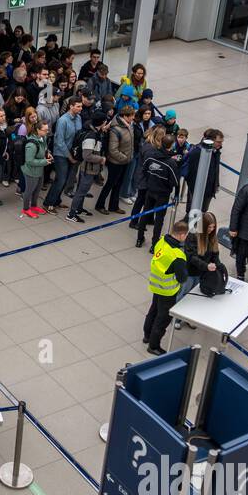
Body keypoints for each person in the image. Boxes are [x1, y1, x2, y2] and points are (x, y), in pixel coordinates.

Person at [143, 220, 190, 356]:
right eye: (185, 235)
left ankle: (147, 335)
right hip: (168, 290)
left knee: (153, 310)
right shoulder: (177, 255)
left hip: (155, 284)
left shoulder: (162, 241)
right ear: (181, 235)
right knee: (162, 318)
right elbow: (182, 278)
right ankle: (154, 345)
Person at [94, 103, 135, 215]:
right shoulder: (116, 129)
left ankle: (113, 206)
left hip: (125, 161)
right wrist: (125, 158)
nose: (133, 118)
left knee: (118, 184)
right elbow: (113, 150)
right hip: (116, 162)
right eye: (131, 116)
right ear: (125, 116)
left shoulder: (129, 125)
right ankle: (100, 205)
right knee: (110, 184)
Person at [65, 114, 105, 223]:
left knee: (82, 190)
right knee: (81, 192)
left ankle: (79, 209)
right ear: (102, 123)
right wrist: (101, 159)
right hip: (88, 169)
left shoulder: (96, 133)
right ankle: (71, 214)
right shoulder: (91, 136)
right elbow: (87, 156)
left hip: (90, 168)